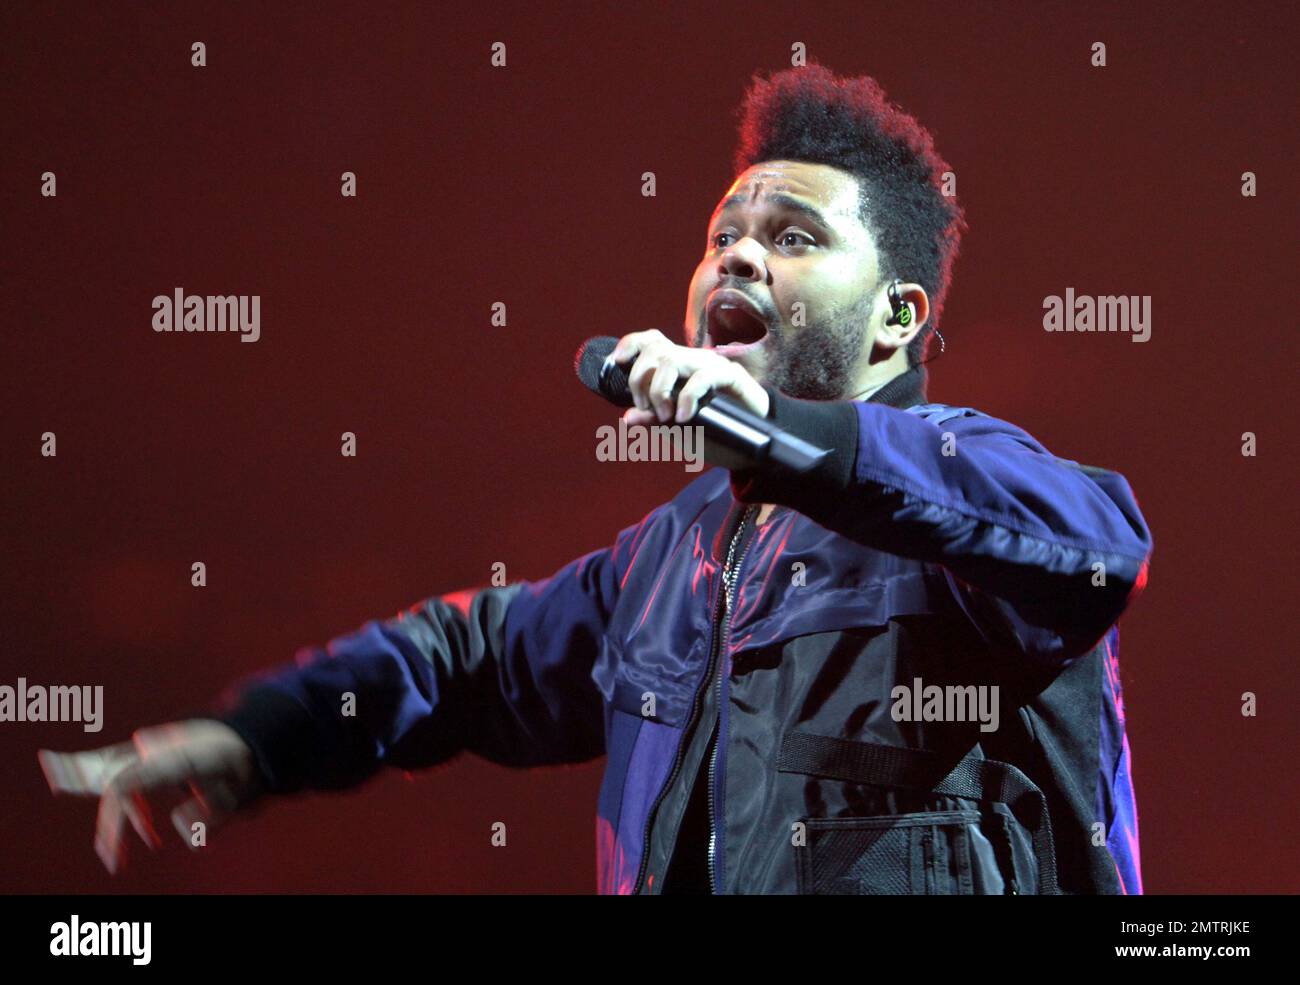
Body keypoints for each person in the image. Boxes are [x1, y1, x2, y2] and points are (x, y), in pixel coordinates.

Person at [40, 64, 1152, 894]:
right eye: (724, 233)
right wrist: (256, 737)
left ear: (898, 316)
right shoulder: (668, 564)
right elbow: (463, 658)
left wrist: (775, 429)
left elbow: (1097, 539)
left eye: (796, 235)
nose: (738, 256)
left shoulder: (965, 483)